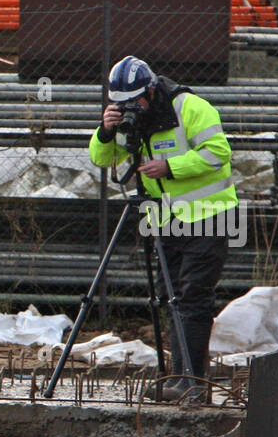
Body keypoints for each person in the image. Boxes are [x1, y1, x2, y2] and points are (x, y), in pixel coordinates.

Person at [89, 55, 239, 401]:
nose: (130, 109)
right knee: (172, 299)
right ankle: (178, 379)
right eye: (121, 105)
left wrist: (170, 167)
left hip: (210, 216)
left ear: (151, 91)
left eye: (134, 103)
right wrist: (106, 131)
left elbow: (219, 153)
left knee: (192, 298)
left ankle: (194, 383)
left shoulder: (190, 107)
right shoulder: (132, 119)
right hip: (164, 220)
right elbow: (103, 159)